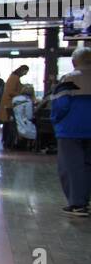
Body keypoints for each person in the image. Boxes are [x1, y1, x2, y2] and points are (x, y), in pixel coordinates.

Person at [51, 47, 91, 216]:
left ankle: (77, 203)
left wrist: (56, 121)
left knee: (71, 166)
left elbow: (61, 106)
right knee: (88, 165)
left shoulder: (69, 80)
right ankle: (85, 200)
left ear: (74, 62)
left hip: (70, 130)